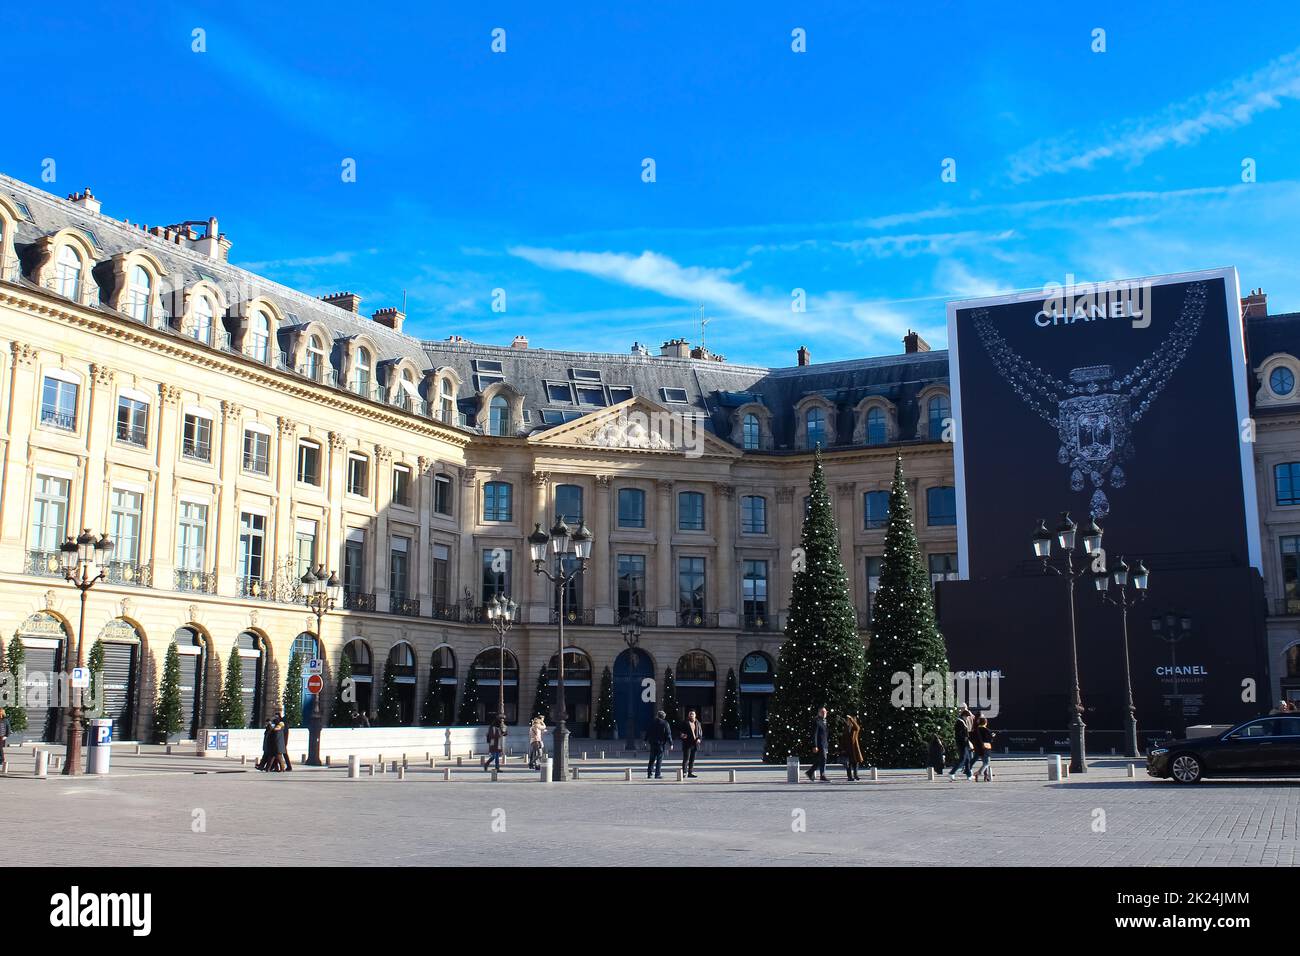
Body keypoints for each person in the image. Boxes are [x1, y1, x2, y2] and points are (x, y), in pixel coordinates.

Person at [948, 706, 974, 780]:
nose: (967, 718)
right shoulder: (960, 722)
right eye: (967, 716)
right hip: (962, 743)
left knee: (967, 759)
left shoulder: (962, 721)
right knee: (962, 759)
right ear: (964, 715)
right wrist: (965, 738)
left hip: (964, 743)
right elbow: (959, 734)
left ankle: (969, 775)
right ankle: (952, 773)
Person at [646, 709, 673, 779]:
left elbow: (648, 732)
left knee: (651, 759)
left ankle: (649, 773)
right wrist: (671, 743)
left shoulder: (652, 722)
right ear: (663, 717)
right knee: (659, 759)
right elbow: (668, 734)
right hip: (660, 744)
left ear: (657, 715)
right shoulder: (665, 723)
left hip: (653, 743)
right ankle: (657, 774)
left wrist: (645, 740)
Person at [805, 706, 829, 782]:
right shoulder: (817, 721)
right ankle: (821, 775)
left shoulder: (824, 721)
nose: (824, 713)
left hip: (824, 744)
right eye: (822, 712)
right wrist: (814, 745)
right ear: (819, 713)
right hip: (819, 744)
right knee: (823, 759)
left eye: (825, 712)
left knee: (821, 760)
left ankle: (811, 772)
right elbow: (814, 734)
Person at [679, 708, 703, 778]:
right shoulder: (685, 723)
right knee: (686, 759)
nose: (691, 715)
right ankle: (684, 772)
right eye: (690, 714)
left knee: (692, 759)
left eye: (693, 714)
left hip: (695, 743)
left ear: (695, 715)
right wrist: (682, 735)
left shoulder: (698, 723)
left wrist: (699, 739)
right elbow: (680, 732)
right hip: (687, 743)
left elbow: (700, 733)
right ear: (688, 715)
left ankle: (690, 772)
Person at [971, 715, 995, 781]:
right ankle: (978, 772)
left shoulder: (976, 730)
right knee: (987, 762)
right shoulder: (986, 730)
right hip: (986, 747)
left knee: (984, 762)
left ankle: (986, 776)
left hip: (978, 748)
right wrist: (992, 736)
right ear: (985, 722)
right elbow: (990, 739)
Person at [841, 714, 863, 781]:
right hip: (848, 748)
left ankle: (856, 775)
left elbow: (857, 727)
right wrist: (842, 748)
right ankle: (849, 776)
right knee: (848, 763)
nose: (849, 722)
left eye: (850, 720)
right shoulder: (846, 728)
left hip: (854, 748)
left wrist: (851, 719)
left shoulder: (855, 728)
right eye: (848, 720)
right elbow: (843, 739)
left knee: (855, 762)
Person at [0, 707, 11, 771]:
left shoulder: (5, 720)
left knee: (0, 748)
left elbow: (8, 728)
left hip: (1, 736)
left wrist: (6, 736)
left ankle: (1, 760)